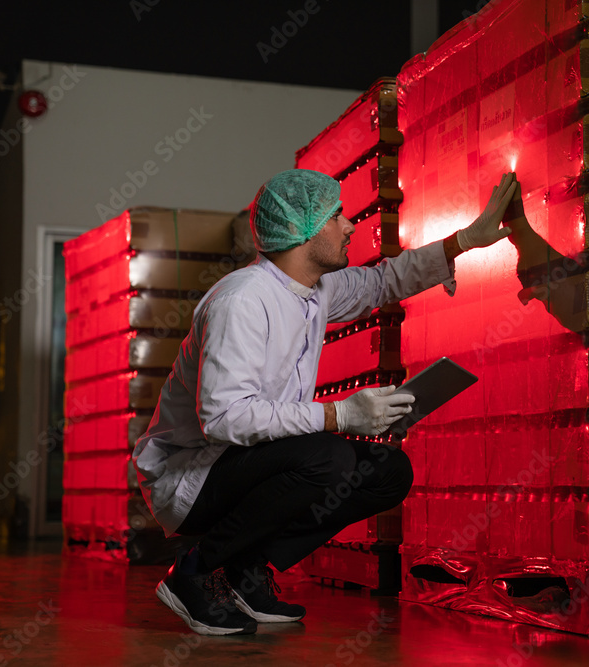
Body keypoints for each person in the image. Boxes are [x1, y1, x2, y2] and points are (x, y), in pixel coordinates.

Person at [132, 168, 519, 635]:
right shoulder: (244, 302)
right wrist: (341, 413)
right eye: (337, 216)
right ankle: (195, 571)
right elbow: (224, 418)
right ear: (302, 230)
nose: (351, 225)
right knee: (328, 456)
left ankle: (246, 570)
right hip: (192, 477)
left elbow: (383, 283)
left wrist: (464, 241)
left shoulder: (313, 290)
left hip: (245, 461)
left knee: (387, 471)